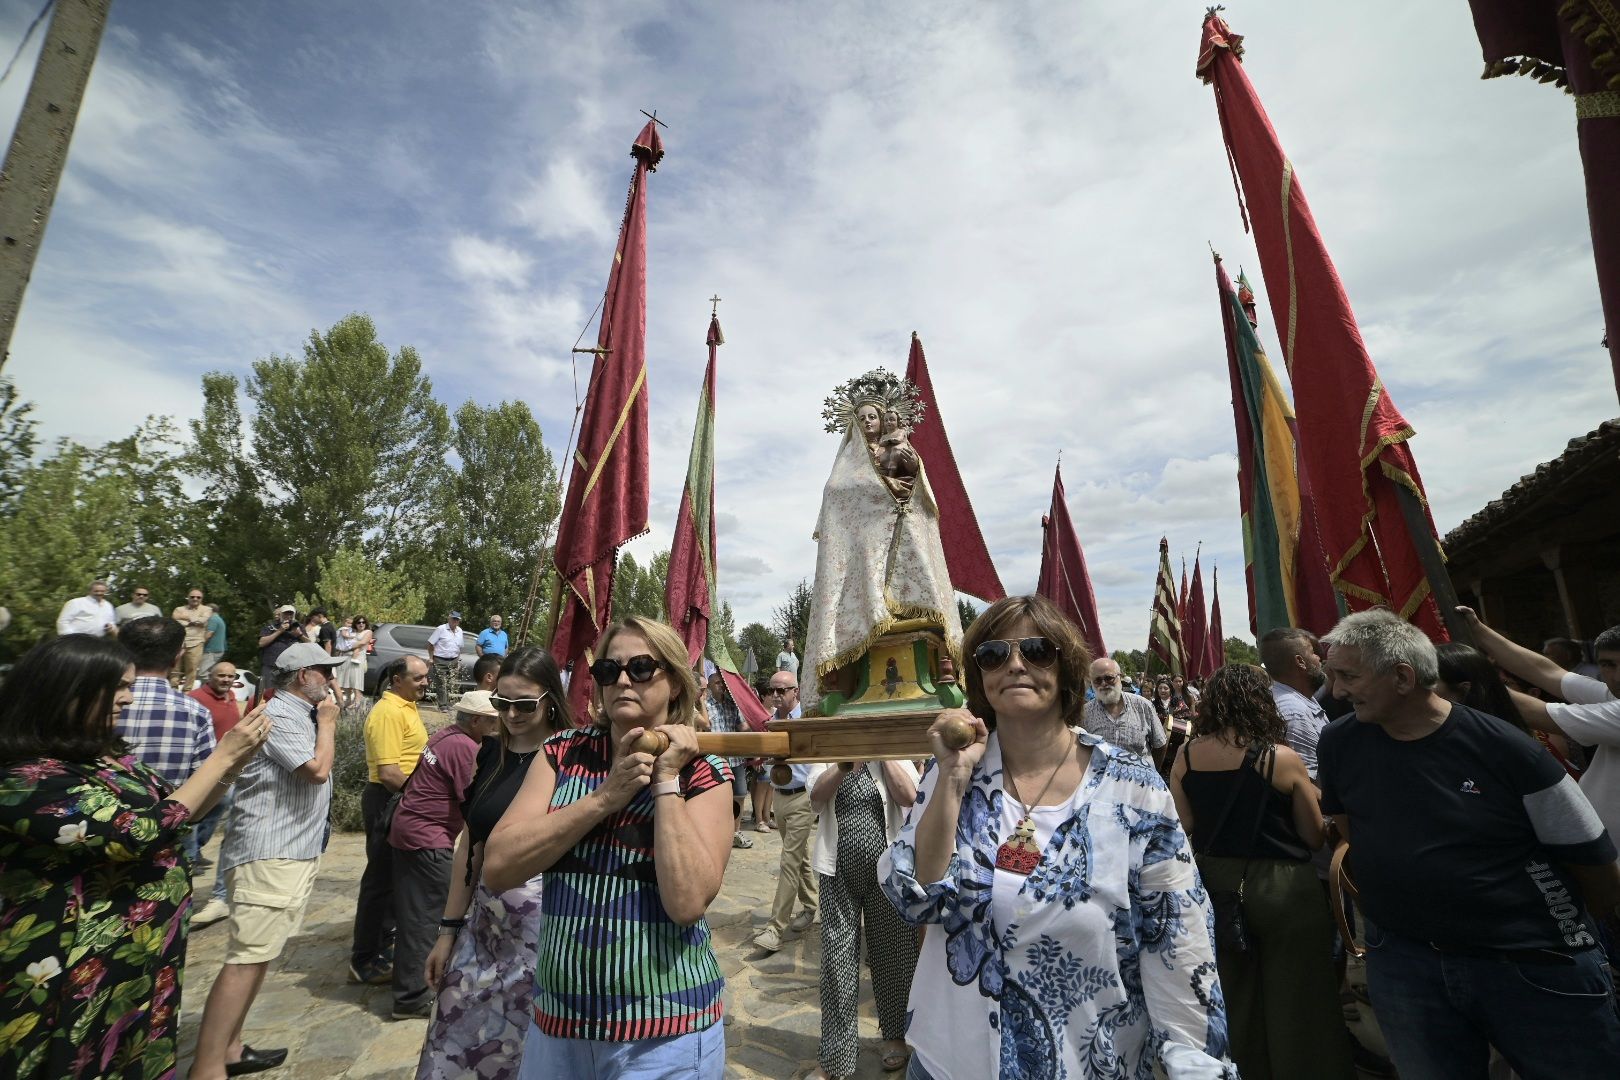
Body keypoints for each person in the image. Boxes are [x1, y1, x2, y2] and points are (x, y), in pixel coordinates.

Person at [880, 594, 1235, 1079]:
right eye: (994, 654)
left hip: (1084, 1063)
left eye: (1036, 650)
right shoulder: (953, 773)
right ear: (980, 674)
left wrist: (1194, 1062)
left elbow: (1178, 938)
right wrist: (952, 781)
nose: (1015, 664)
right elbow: (917, 899)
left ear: (1066, 666)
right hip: (949, 1060)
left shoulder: (1133, 787)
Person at [1319, 608, 1620, 1078]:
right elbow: (1352, 829)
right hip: (1405, 965)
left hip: (1529, 966)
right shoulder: (1339, 743)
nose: (1336, 691)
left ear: (1402, 677)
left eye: (1348, 676)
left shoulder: (1507, 750)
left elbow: (1593, 860)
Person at [0, 634, 271, 1080]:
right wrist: (221, 755)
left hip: (133, 964)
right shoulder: (25, 777)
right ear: (66, 688)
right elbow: (137, 833)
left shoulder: (109, 757)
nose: (127, 699)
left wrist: (233, 766)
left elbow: (180, 813)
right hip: (70, 973)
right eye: (119, 688)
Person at [484, 617, 734, 1077]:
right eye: (607, 670)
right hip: (558, 1026)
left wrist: (665, 782)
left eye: (641, 668)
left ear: (675, 684)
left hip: (666, 1032)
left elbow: (686, 902)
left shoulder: (704, 772)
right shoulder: (563, 753)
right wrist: (603, 799)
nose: (621, 680)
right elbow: (498, 867)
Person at [1168, 664, 1352, 1079]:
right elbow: (1311, 835)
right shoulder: (1279, 757)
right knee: (1300, 994)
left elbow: (1186, 824)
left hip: (1216, 885)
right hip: (1284, 885)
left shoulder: (1186, 755)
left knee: (1234, 993)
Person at [189, 642, 342, 1080]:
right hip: (268, 854)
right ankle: (207, 1067)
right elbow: (316, 769)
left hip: (287, 852)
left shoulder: (295, 713)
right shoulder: (281, 715)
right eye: (323, 671)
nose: (330, 679)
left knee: (259, 955)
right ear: (301, 676)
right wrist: (329, 725)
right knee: (245, 960)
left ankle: (230, 1049)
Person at [418, 648, 569, 1080]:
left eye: (524, 704)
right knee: (453, 1042)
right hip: (485, 930)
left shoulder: (570, 759)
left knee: (526, 1054)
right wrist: (447, 930)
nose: (512, 714)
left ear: (551, 700)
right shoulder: (489, 755)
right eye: (502, 703)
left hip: (543, 936)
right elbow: (471, 843)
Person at [801, 371, 960, 715]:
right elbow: (839, 498)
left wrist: (901, 484)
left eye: (873, 416)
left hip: (901, 538)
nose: (868, 423)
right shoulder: (846, 465)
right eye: (862, 418)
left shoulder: (900, 446)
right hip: (862, 551)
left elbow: (918, 491)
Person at [1459, 607, 1620, 841]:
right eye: (1608, 664)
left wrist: (1465, 675)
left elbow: (1537, 713)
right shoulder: (1612, 696)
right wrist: (1477, 629)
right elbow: (1546, 672)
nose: (1617, 677)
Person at [387, 690, 499, 1020]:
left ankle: (408, 990)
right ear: (476, 720)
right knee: (428, 918)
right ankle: (411, 996)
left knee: (414, 914)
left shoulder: (445, 736)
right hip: (427, 837)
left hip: (411, 830)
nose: (498, 726)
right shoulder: (464, 747)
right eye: (493, 721)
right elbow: (475, 799)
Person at [809, 756, 919, 1078]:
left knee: (894, 956)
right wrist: (846, 764)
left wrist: (883, 754)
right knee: (836, 961)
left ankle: (895, 1038)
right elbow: (815, 796)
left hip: (887, 873)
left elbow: (910, 796)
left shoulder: (893, 754)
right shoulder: (830, 752)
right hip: (836, 872)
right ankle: (835, 1057)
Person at [351, 655, 431, 985]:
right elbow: (388, 773)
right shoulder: (387, 713)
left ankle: (383, 944)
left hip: (402, 799)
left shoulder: (405, 707)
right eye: (418, 678)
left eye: (426, 677)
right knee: (380, 881)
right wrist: (424, 801)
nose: (425, 682)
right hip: (389, 800)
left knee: (395, 880)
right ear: (397, 680)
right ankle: (364, 958)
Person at [115, 617, 218, 862]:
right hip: (167, 837)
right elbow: (208, 786)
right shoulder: (196, 712)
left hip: (97, 831)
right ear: (177, 656)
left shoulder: (93, 704)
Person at [753, 668, 825, 953]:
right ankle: (811, 905)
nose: (776, 695)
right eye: (773, 690)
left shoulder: (807, 720)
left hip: (802, 798)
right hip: (780, 799)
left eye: (782, 690)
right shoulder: (771, 723)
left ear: (796, 691)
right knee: (800, 857)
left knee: (789, 861)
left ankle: (775, 928)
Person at [190, 661, 248, 928]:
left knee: (222, 817)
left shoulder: (232, 698)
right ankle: (192, 857)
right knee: (193, 823)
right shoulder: (195, 700)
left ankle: (218, 894)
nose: (226, 679)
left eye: (230, 676)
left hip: (229, 774)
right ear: (208, 676)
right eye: (220, 675)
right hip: (203, 774)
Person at [1258, 627, 1328, 780]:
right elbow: (1307, 781)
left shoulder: (1298, 701)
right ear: (1300, 662)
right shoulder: (1294, 712)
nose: (1319, 659)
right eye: (1313, 652)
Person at [1080, 656, 1167, 764]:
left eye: (1108, 678)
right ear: (1092, 683)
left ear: (1119, 677)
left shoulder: (1143, 706)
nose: (1103, 683)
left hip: (1140, 779)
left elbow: (1160, 744)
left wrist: (1151, 773)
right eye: (1098, 680)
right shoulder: (1085, 713)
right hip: (1102, 779)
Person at [704, 670, 753, 849]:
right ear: (709, 685)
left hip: (736, 760)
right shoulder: (705, 706)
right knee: (715, 797)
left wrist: (758, 724)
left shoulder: (733, 704)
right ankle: (716, 833)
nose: (721, 686)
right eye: (717, 683)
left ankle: (735, 831)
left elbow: (742, 727)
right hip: (715, 761)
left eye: (722, 683)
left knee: (739, 795)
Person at [171, 588, 215, 690]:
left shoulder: (207, 610)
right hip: (178, 641)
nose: (195, 599)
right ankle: (173, 688)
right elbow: (175, 621)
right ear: (188, 598)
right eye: (192, 597)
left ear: (202, 599)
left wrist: (185, 618)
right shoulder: (179, 609)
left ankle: (187, 690)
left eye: (198, 597)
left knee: (192, 668)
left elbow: (202, 621)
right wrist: (193, 621)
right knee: (174, 666)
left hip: (196, 642)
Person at [1154, 676, 1194, 775]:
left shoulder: (1179, 703)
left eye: (1165, 688)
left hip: (1175, 741)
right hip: (1157, 741)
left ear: (1170, 690)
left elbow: (1187, 719)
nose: (1162, 690)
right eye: (1160, 688)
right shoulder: (1152, 704)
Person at [428, 611, 466, 711]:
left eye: (457, 619)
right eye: (453, 619)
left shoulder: (460, 631)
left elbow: (459, 647)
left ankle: (447, 703)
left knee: (450, 683)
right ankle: (442, 705)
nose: (455, 621)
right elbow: (430, 644)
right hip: (440, 659)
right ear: (449, 619)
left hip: (453, 660)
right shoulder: (441, 629)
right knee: (441, 683)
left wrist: (458, 661)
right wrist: (431, 658)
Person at [258, 604, 307, 673]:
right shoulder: (271, 626)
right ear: (280, 615)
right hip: (272, 665)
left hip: (293, 665)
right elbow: (261, 643)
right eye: (285, 614)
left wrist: (300, 634)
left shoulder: (299, 626)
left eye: (291, 614)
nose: (288, 616)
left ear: (294, 615)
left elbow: (310, 644)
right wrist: (279, 631)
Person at [337, 615, 372, 711]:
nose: (361, 624)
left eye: (363, 622)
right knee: (346, 679)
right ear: (355, 624)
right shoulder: (351, 631)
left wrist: (347, 647)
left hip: (358, 658)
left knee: (355, 678)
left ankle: (357, 700)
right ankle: (348, 699)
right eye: (359, 622)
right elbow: (341, 639)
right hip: (346, 657)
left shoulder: (368, 632)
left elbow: (362, 642)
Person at [200, 606, 228, 677]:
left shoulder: (213, 619)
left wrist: (198, 645)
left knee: (203, 673)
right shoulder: (220, 619)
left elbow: (209, 634)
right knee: (211, 674)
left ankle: (205, 688)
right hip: (218, 650)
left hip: (211, 651)